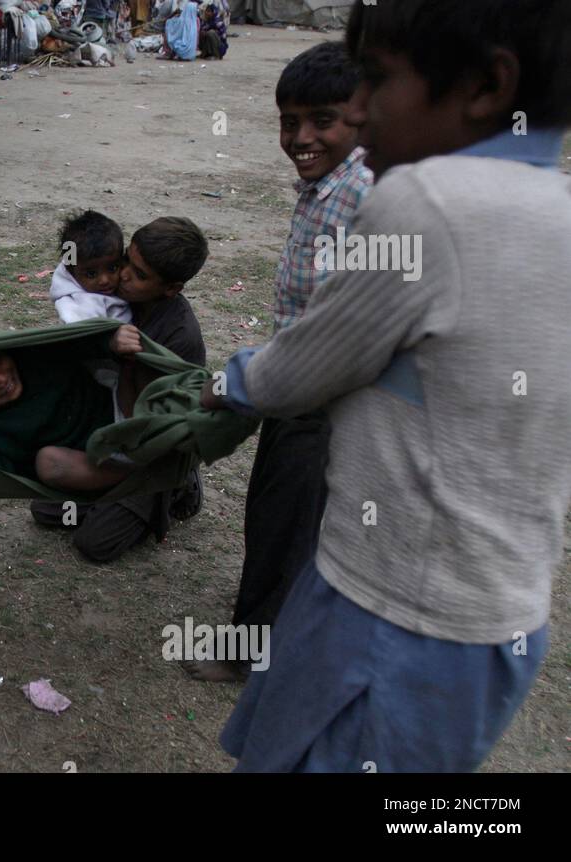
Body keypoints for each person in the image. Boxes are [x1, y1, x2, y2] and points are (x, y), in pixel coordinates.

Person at [204, 0, 571, 771]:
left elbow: (305, 367)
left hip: (393, 607)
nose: (360, 113)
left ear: (484, 86)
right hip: (496, 616)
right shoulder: (555, 212)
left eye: (374, 81)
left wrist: (226, 384)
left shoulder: (426, 202)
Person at [185, 42, 372, 684]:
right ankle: (276, 623)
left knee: (282, 520)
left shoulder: (361, 196)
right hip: (300, 388)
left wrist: (238, 384)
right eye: (289, 122)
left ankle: (251, 649)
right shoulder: (326, 186)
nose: (301, 137)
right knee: (288, 516)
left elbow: (335, 329)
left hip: (318, 398)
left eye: (322, 120)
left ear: (364, 117)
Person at [31, 216, 209, 560]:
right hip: (116, 429)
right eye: (126, 261)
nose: (122, 275)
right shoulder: (116, 298)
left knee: (94, 543)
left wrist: (126, 363)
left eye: (139, 275)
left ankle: (178, 488)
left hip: (155, 449)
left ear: (171, 288)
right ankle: (116, 490)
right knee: (46, 510)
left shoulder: (178, 336)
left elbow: (156, 419)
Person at [0, 324, 146, 491]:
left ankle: (155, 443)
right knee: (48, 464)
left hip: (124, 414)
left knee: (129, 366)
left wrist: (111, 342)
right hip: (98, 460)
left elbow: (78, 343)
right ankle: (139, 473)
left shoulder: (32, 355)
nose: (1, 379)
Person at [50, 210, 131, 325]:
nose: (105, 280)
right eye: (91, 274)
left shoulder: (76, 264)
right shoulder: (81, 306)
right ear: (71, 271)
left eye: (112, 268)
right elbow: (83, 336)